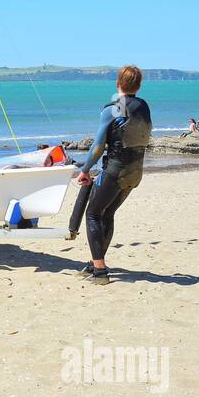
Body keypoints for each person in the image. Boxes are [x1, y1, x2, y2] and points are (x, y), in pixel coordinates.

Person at [74, 65, 152, 283]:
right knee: (107, 214)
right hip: (136, 171)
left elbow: (98, 146)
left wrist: (85, 170)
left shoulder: (112, 109)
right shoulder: (144, 106)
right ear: (138, 85)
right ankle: (97, 262)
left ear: (118, 83)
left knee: (93, 214)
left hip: (116, 170)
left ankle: (100, 271)